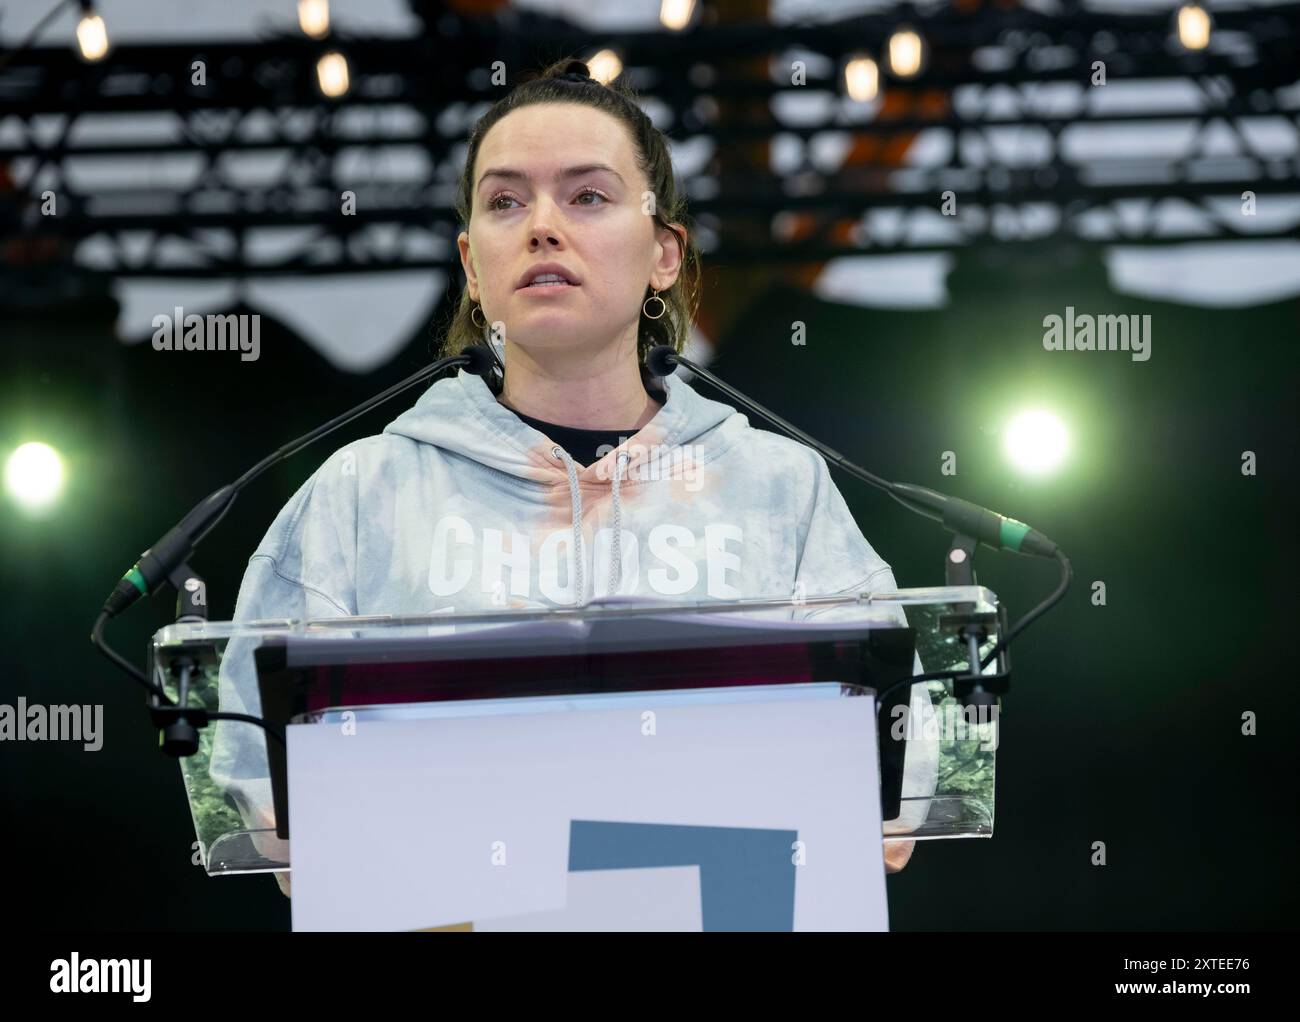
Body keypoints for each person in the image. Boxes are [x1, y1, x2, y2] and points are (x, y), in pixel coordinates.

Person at [210, 58, 935, 902]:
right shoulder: (364, 495)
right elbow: (257, 780)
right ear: (473, 267)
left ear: (665, 253)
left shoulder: (778, 488)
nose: (542, 227)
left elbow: (901, 761)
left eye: (587, 196)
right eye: (505, 202)